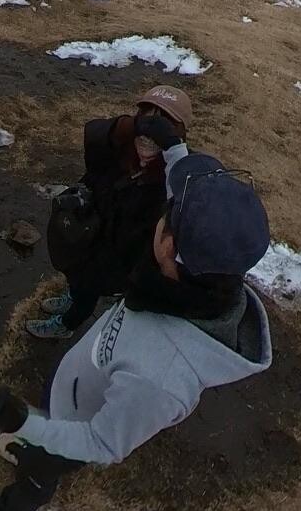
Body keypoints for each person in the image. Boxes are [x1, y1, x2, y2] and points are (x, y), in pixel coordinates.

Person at [0, 154, 273, 511]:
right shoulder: (190, 283)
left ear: (168, 246)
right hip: (69, 393)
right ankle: (27, 446)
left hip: (73, 432)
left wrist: (20, 420)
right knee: (35, 445)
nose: (162, 209)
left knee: (37, 476)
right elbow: (177, 183)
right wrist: (170, 142)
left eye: (168, 212)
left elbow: (100, 443)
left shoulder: (161, 380)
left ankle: (2, 510)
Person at [30, 85, 194, 340]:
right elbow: (95, 137)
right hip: (90, 235)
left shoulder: (176, 175)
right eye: (146, 119)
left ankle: (67, 323)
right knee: (77, 278)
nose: (148, 137)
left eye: (163, 125)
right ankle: (71, 297)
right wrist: (127, 127)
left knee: (88, 291)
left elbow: (180, 212)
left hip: (119, 258)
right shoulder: (121, 149)